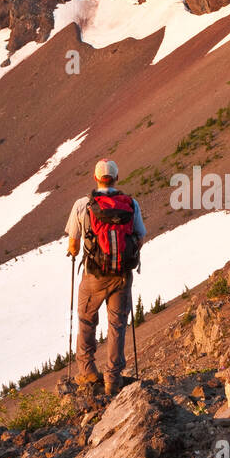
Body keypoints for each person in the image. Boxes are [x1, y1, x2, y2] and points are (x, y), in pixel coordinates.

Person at [64, 159, 146, 397]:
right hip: (121, 274)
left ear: (96, 177)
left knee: (87, 320)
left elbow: (73, 243)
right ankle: (113, 378)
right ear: (117, 178)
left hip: (94, 275)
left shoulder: (83, 205)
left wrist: (74, 251)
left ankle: (87, 370)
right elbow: (140, 236)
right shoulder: (130, 204)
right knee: (117, 325)